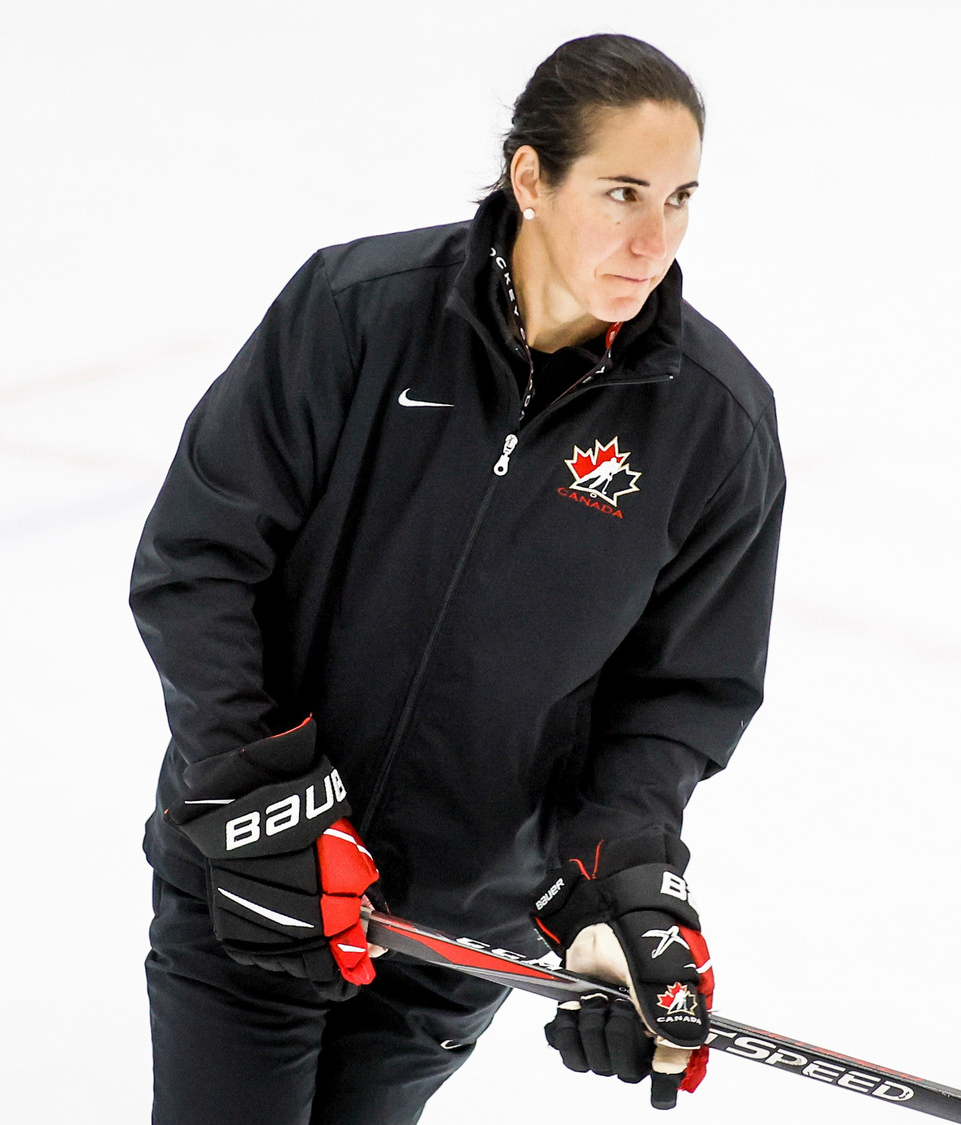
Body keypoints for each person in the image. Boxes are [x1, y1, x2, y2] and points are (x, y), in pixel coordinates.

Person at [130, 33, 783, 1125]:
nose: (651, 237)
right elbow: (197, 561)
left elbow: (676, 701)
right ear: (532, 175)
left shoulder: (714, 424)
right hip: (257, 886)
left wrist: (619, 884)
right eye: (622, 191)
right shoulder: (355, 312)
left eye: (678, 199)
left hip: (451, 935)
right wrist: (258, 799)